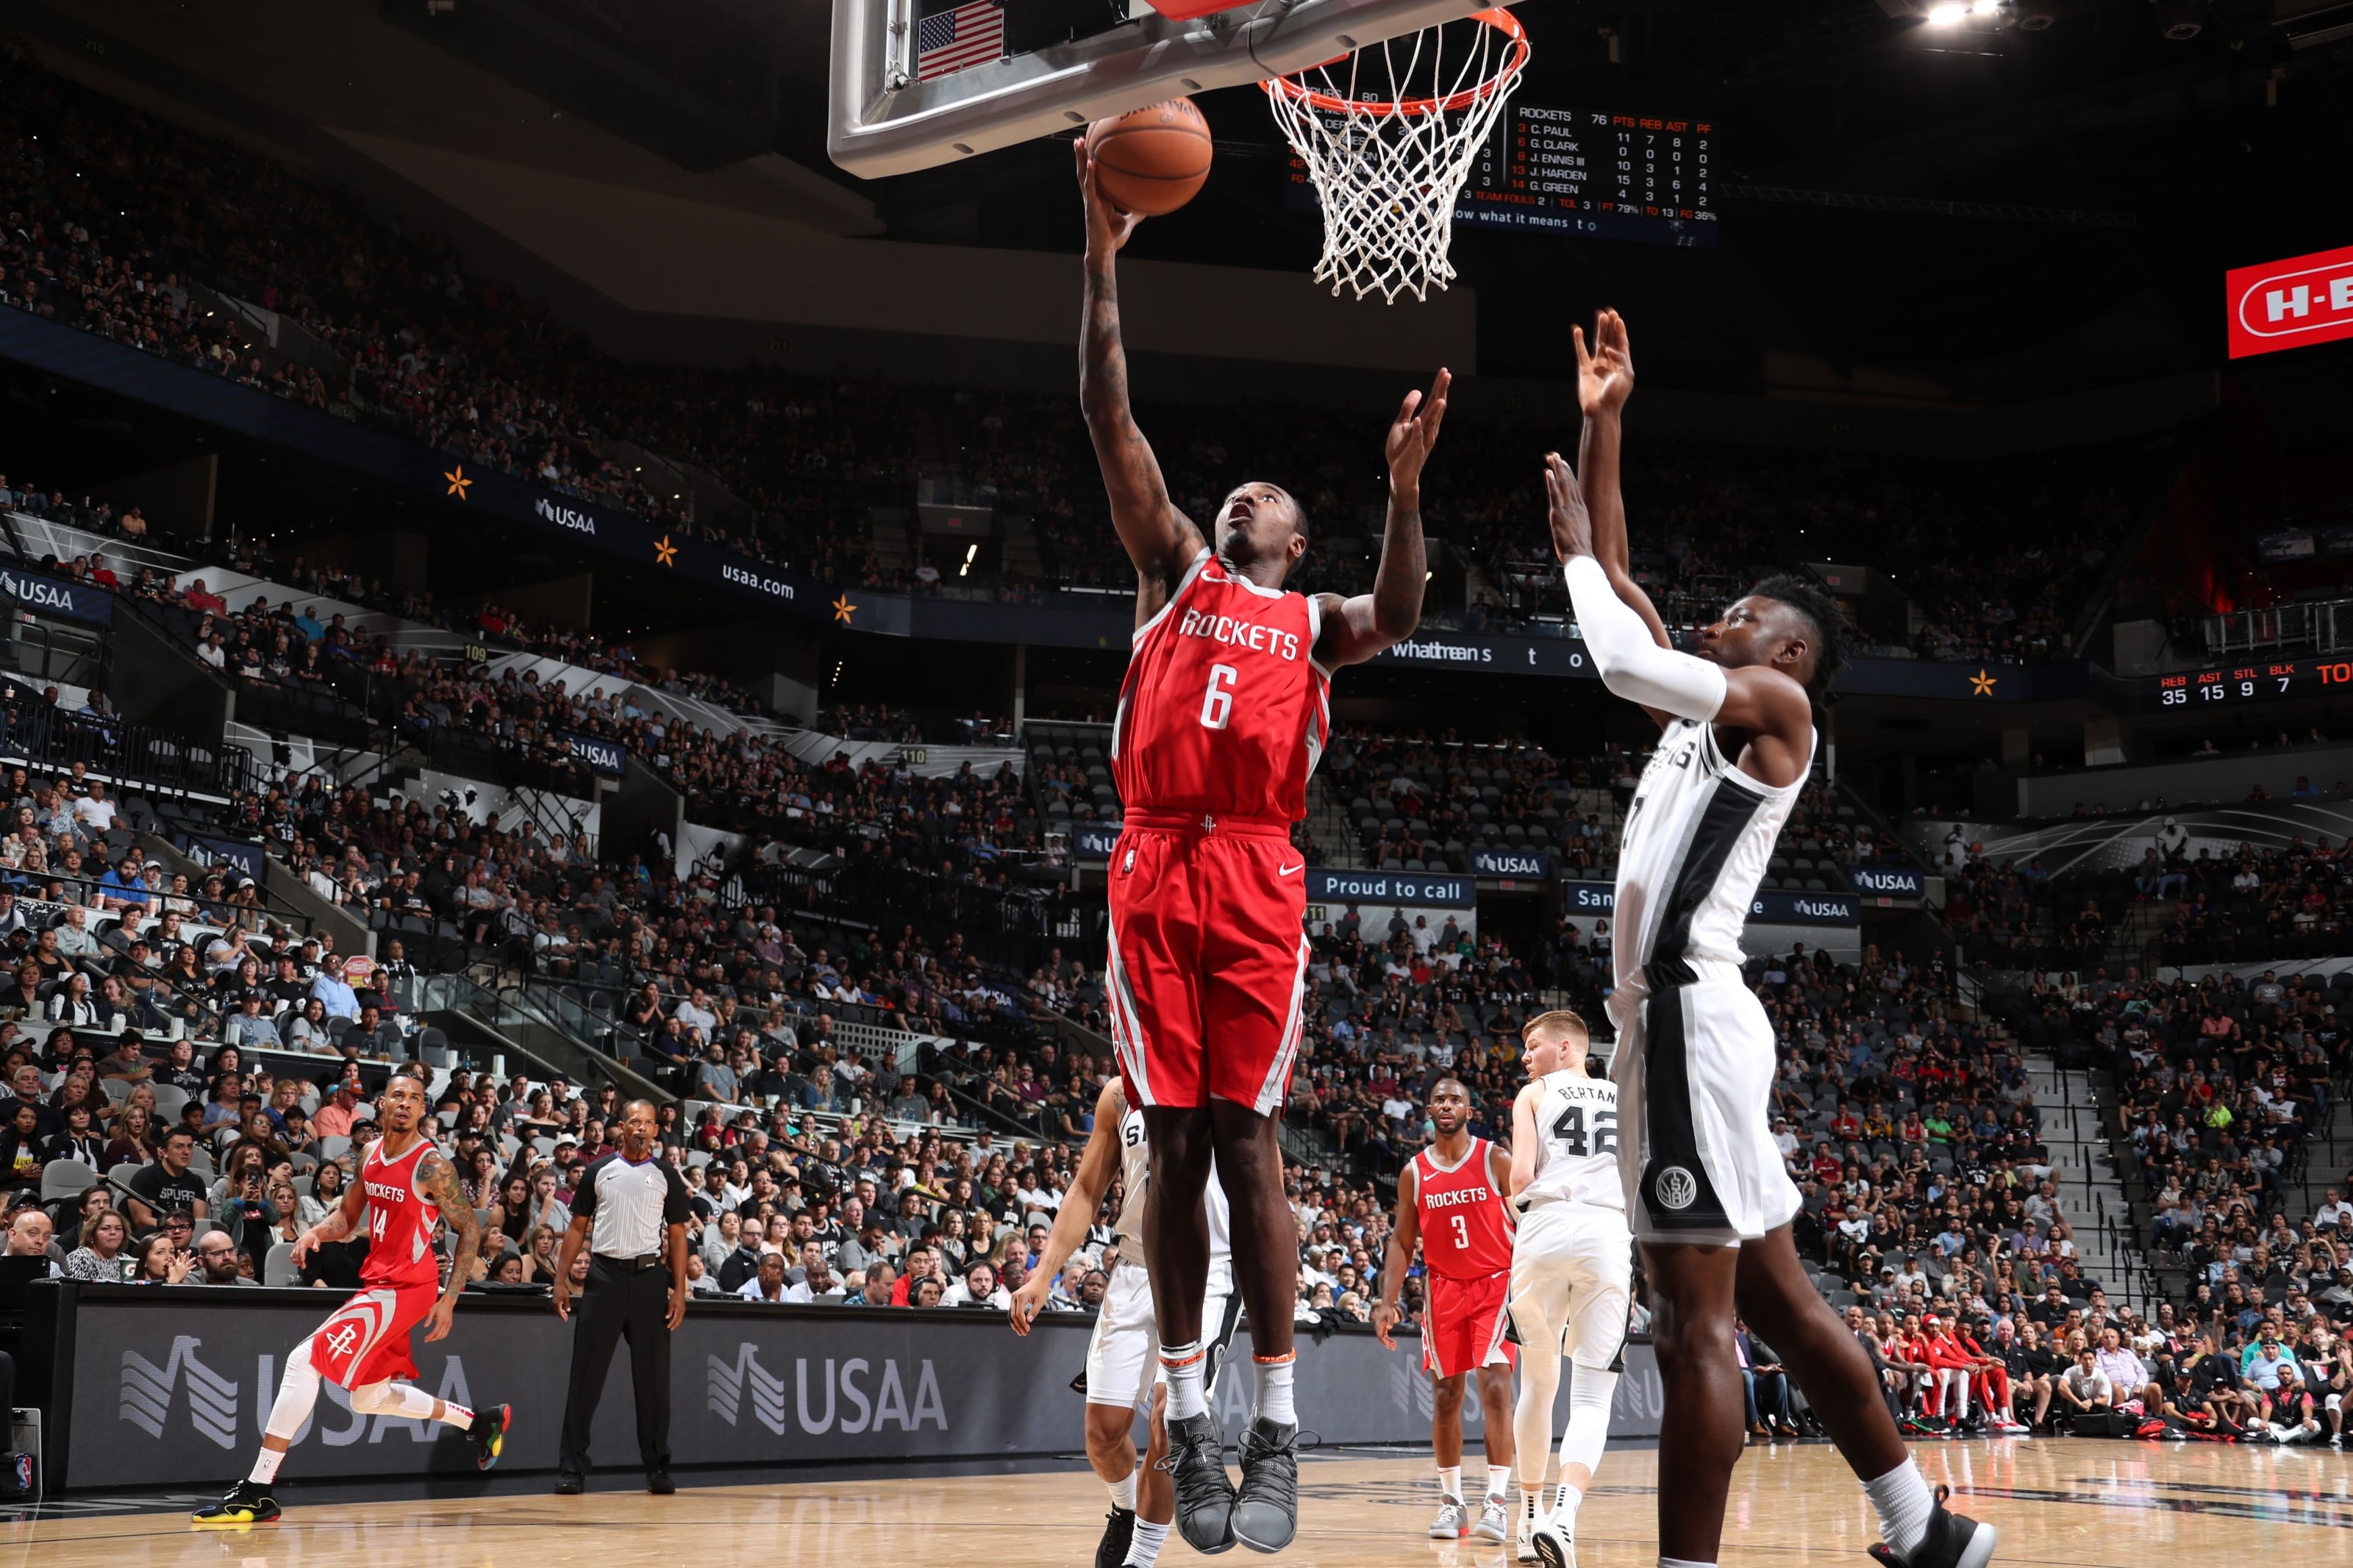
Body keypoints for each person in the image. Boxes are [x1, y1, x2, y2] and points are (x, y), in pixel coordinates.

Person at [1546, 309, 1990, 1568]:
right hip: (1690, 1027)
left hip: (1687, 1022)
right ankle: (1926, 1527)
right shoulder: (1713, 718)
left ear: (1788, 650)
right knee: (1784, 1306)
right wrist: (1604, 422)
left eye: (1739, 613)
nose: (1716, 618)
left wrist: (1575, 558)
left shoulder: (1780, 706)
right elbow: (1630, 596)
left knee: (1696, 1331)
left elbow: (1620, 649)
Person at [1075, 120, 1443, 1560]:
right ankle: (1192, 1409)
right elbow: (1109, 414)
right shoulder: (1171, 563)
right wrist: (1100, 261)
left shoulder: (1315, 623)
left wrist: (1408, 491)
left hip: (1253, 867)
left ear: (1296, 538)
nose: (1245, 498)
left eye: (1271, 500)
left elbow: (1403, 615)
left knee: (1246, 1136)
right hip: (1152, 855)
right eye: (1236, 492)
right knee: (1170, 1139)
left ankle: (1277, 1414)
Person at [193, 1075, 509, 1523]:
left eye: (416, 1099)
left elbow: (470, 1229)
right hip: (380, 1282)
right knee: (368, 1399)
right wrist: (314, 1233)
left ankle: (259, 1489)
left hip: (408, 1289)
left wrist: (449, 1298)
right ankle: (479, 1424)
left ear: (422, 1110)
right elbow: (348, 1216)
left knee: (305, 1360)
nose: (406, 1104)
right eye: (398, 1095)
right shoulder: (370, 1153)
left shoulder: (431, 1165)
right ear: (382, 1104)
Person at [1009, 1079, 1238, 1568]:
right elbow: (1087, 1187)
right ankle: (1126, 1507)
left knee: (1167, 1417)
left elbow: (1266, 1184)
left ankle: (1142, 1557)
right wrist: (1042, 1275)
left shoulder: (1226, 1077)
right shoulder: (1119, 1093)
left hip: (1211, 1268)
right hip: (1134, 1265)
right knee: (1103, 1431)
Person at [1502, 1011, 1634, 1568]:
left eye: (1532, 1046)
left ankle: (1528, 1514)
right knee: (1592, 1396)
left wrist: (1525, 1219)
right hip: (1607, 1231)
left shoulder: (1533, 1094)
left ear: (1565, 1047)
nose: (1525, 1057)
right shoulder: (1624, 1095)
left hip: (1546, 1225)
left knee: (1537, 1383)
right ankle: (1564, 1516)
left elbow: (1519, 1178)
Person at [1371, 1078, 1518, 1546]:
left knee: (1495, 1389)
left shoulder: (1494, 1158)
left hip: (1497, 1284)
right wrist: (1387, 1299)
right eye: (1440, 1099)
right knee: (1445, 1398)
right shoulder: (1415, 1171)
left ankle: (1496, 1501)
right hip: (1443, 1291)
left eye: (1456, 1099)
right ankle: (1452, 1502)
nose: (1447, 1105)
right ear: (1428, 1110)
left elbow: (1526, 1221)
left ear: (1470, 1111)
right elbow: (1401, 1240)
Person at [551, 1100, 692, 1496]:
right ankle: (572, 1467)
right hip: (604, 1276)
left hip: (650, 1279)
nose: (643, 1128)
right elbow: (577, 1228)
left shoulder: (667, 1175)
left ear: (655, 1129)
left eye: (649, 1122)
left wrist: (679, 1290)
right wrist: (561, 1280)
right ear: (621, 1126)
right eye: (635, 1121)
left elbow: (678, 1235)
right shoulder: (599, 1171)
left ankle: (657, 1466)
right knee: (586, 1377)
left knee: (653, 1381)